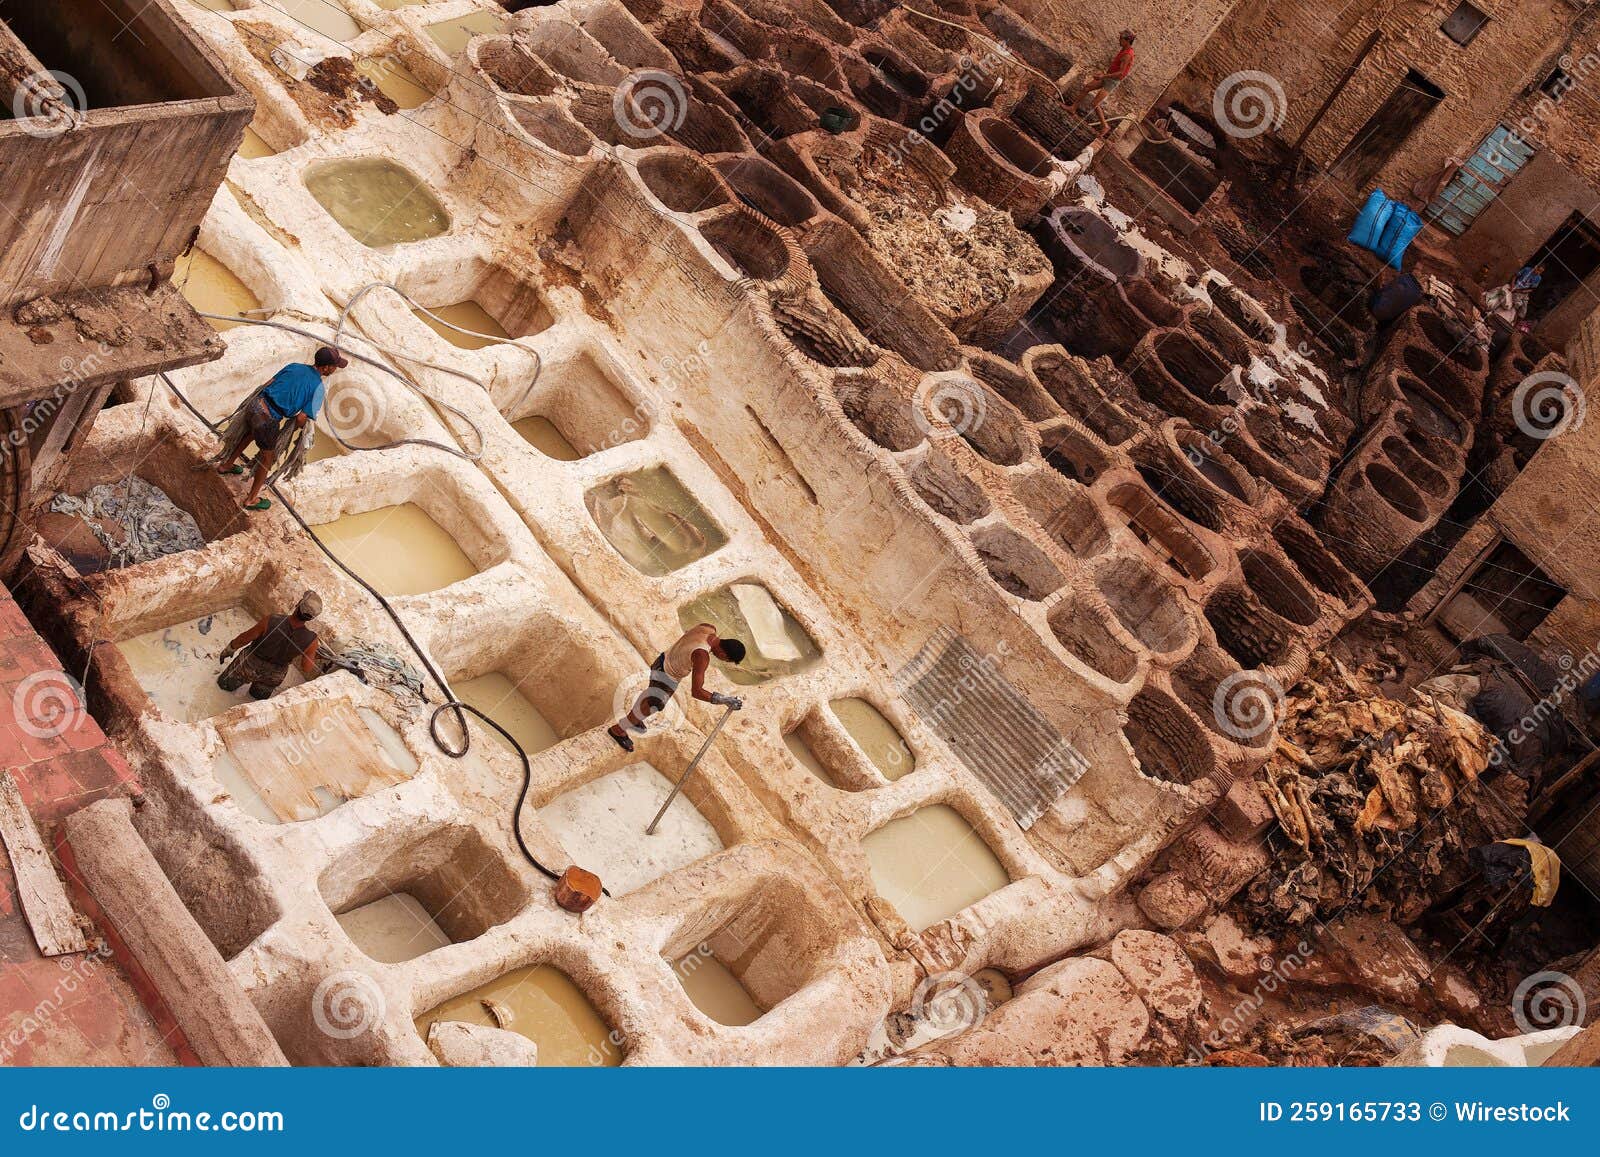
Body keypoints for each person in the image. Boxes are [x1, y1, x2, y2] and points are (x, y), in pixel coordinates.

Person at [215, 346, 347, 511]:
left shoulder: (294, 366)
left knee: (249, 433)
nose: (335, 369)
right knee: (267, 459)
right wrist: (295, 427)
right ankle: (252, 499)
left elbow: (269, 383)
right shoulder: (318, 388)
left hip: (256, 405)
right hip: (268, 419)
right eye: (335, 366)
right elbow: (301, 418)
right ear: (327, 367)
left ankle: (226, 465)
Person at [608, 624, 747, 751]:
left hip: (663, 660)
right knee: (653, 705)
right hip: (667, 675)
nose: (723, 660)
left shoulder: (709, 628)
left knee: (650, 697)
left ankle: (635, 719)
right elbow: (697, 691)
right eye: (726, 660)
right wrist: (722, 699)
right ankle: (619, 730)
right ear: (723, 655)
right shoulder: (702, 656)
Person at [217, 591, 324, 701]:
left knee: (224, 685)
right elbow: (307, 668)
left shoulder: (272, 620)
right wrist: (310, 651)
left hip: (249, 664)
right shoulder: (312, 640)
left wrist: (230, 648)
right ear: (311, 618)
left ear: (298, 604)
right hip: (274, 675)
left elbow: (244, 639)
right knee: (256, 698)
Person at [1067, 29, 1136, 139]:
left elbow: (1120, 73)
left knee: (1095, 103)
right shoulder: (1124, 49)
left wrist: (1103, 76)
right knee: (1087, 87)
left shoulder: (1128, 54)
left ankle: (1105, 126)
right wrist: (1104, 74)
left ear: (1127, 40)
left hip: (1112, 81)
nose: (1119, 40)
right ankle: (1073, 107)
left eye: (1121, 39)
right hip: (1108, 76)